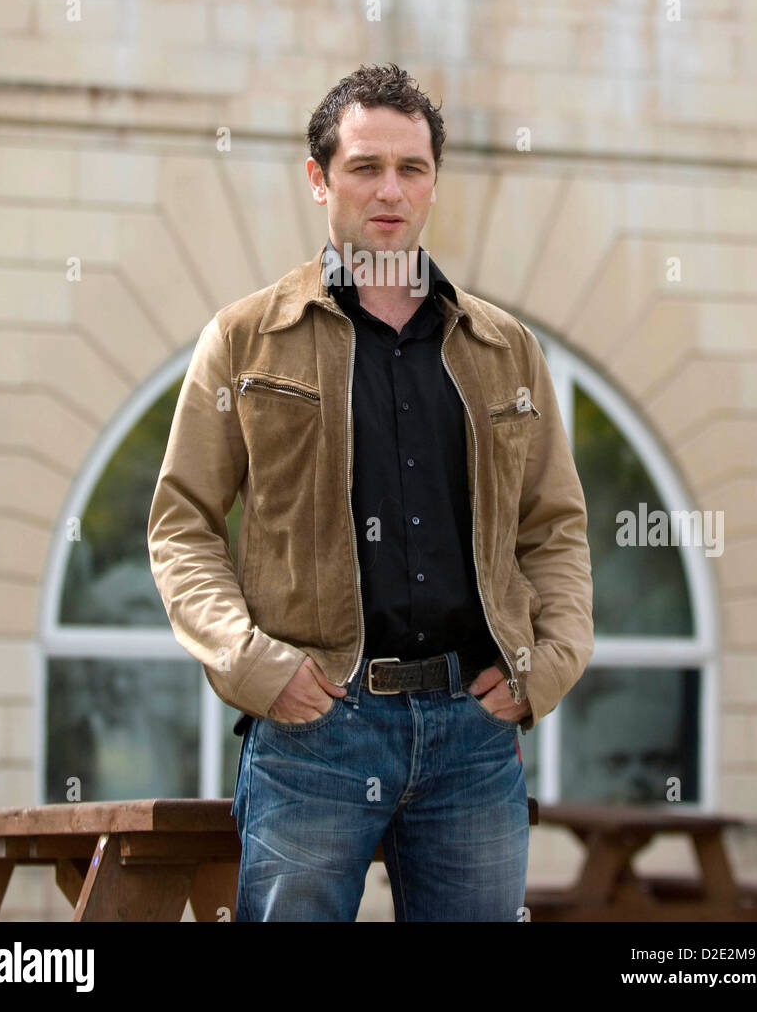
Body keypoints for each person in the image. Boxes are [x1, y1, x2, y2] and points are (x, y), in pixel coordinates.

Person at [147, 61, 593, 921]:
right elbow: (182, 523)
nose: (389, 190)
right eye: (364, 167)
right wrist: (251, 664)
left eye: (410, 168)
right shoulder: (245, 339)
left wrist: (546, 662)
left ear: (432, 182)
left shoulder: (505, 348)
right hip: (314, 726)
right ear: (319, 179)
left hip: (475, 732)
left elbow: (555, 530)